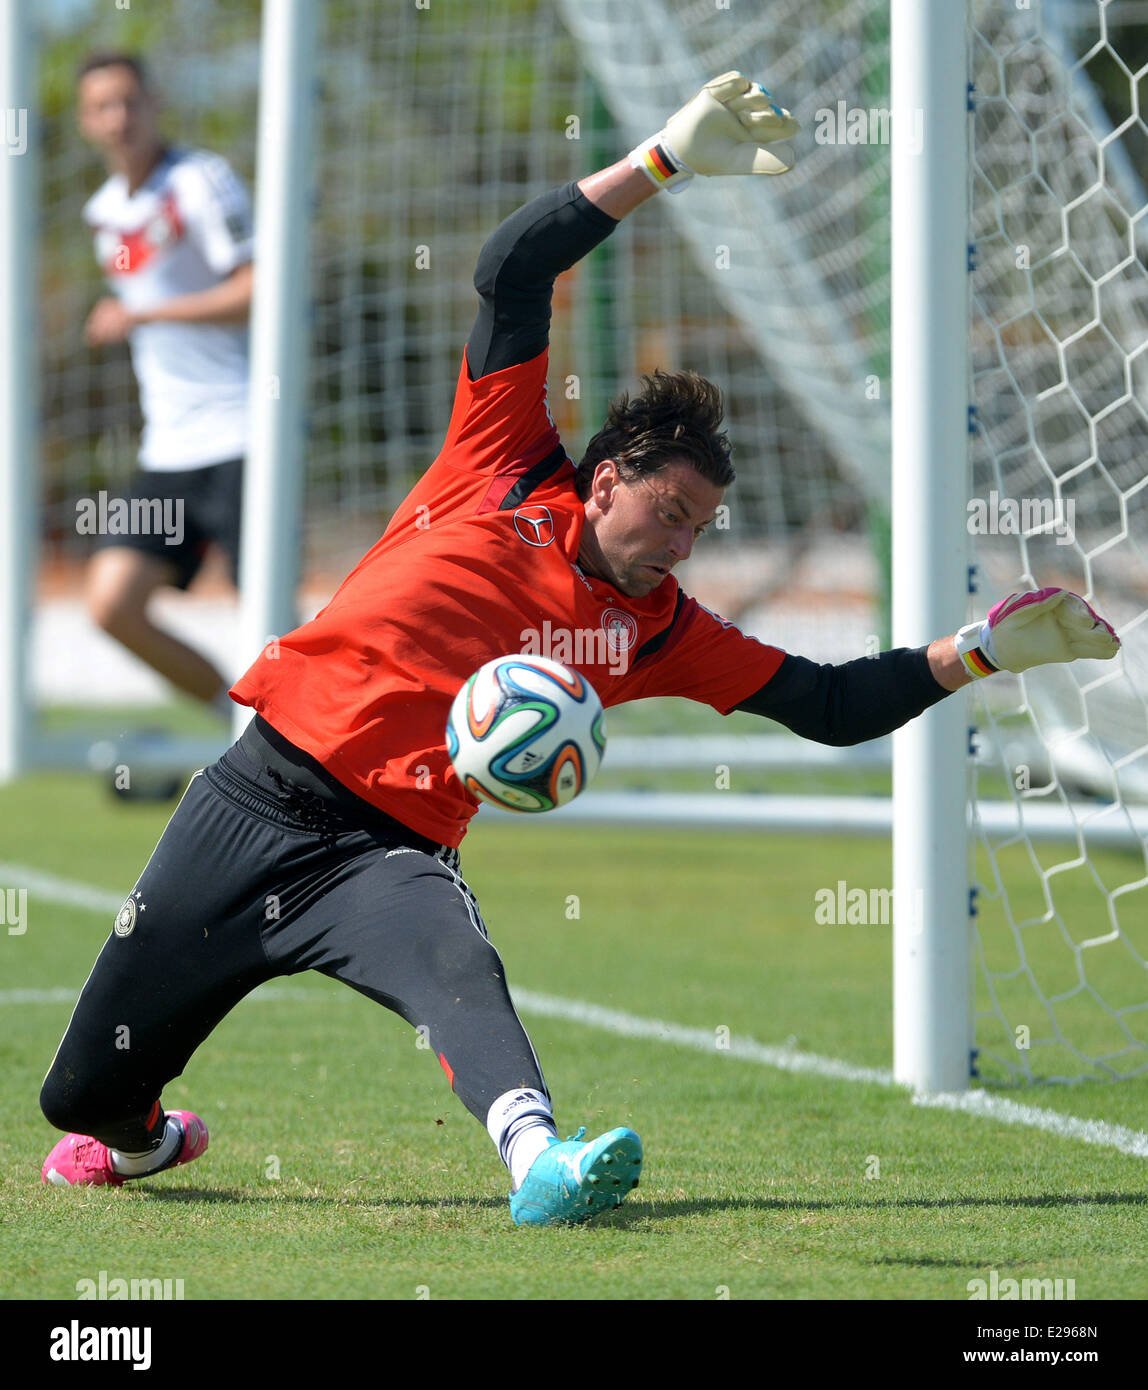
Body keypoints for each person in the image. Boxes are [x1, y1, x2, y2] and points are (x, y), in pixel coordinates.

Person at [39, 75, 1120, 1225]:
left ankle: (539, 1163)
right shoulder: (501, 455)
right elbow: (511, 269)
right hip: (256, 794)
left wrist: (982, 652)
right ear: (604, 480)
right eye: (668, 514)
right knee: (81, 1095)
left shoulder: (657, 630)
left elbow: (832, 702)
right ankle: (143, 1136)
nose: (681, 546)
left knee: (459, 965)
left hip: (386, 853)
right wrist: (658, 161)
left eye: (701, 530)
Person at [76, 52, 254, 717]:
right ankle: (233, 722)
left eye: (129, 101)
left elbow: (256, 287)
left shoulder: (202, 180)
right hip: (170, 448)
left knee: (267, 614)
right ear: (86, 121)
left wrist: (143, 314)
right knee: (111, 603)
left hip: (242, 431)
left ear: (153, 103)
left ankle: (321, 753)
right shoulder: (104, 215)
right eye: (102, 106)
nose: (119, 118)